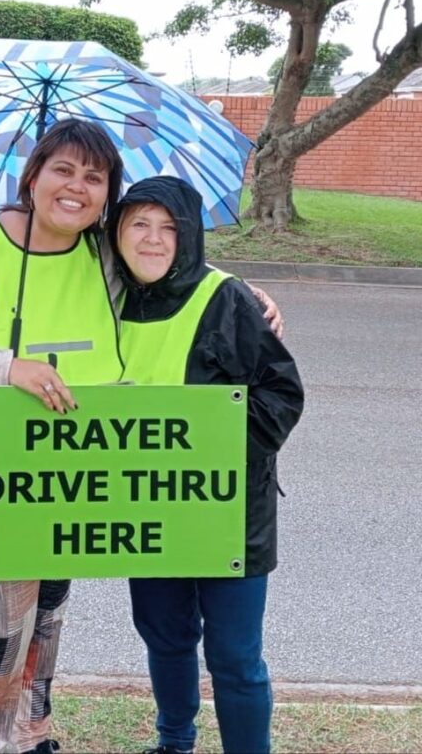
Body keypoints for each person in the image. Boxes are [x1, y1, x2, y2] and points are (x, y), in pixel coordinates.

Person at [0, 118, 285, 753]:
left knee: (46, 617)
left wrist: (242, 296)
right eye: (63, 171)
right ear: (34, 176)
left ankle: (32, 734)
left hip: (67, 474)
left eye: (94, 177)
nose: (76, 188)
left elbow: (165, 264)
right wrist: (5, 368)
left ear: (107, 194)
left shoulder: (99, 251)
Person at [106, 176, 305, 754]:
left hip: (229, 511)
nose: (152, 239)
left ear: (190, 235)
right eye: (139, 223)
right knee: (165, 637)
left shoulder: (229, 300)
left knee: (234, 655)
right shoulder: (102, 297)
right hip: (141, 505)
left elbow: (281, 396)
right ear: (116, 231)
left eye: (170, 227)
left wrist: (203, 454)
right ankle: (174, 742)